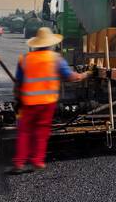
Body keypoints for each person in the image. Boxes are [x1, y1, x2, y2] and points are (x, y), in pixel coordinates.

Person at [8, 27, 85, 174]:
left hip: (28, 102)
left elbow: (18, 83)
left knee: (24, 132)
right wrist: (84, 75)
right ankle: (37, 160)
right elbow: (70, 77)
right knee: (42, 131)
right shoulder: (56, 59)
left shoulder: (25, 59)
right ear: (50, 43)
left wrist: (17, 100)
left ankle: (19, 162)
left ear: (36, 44)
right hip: (47, 103)